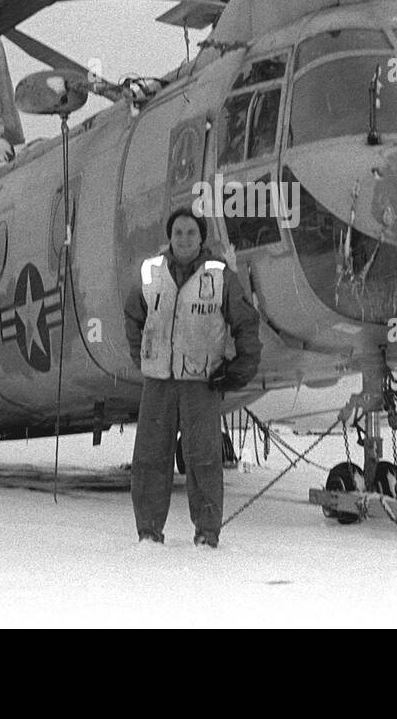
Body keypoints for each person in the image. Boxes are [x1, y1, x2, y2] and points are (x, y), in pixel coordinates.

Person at [124, 207, 261, 547]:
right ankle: (149, 532)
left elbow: (245, 323)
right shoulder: (152, 273)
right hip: (159, 383)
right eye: (178, 233)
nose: (184, 239)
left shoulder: (220, 276)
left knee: (204, 458)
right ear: (169, 238)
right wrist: (143, 355)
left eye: (191, 233)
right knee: (150, 458)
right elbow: (133, 315)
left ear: (202, 238)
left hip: (201, 382)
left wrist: (237, 370)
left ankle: (207, 532)